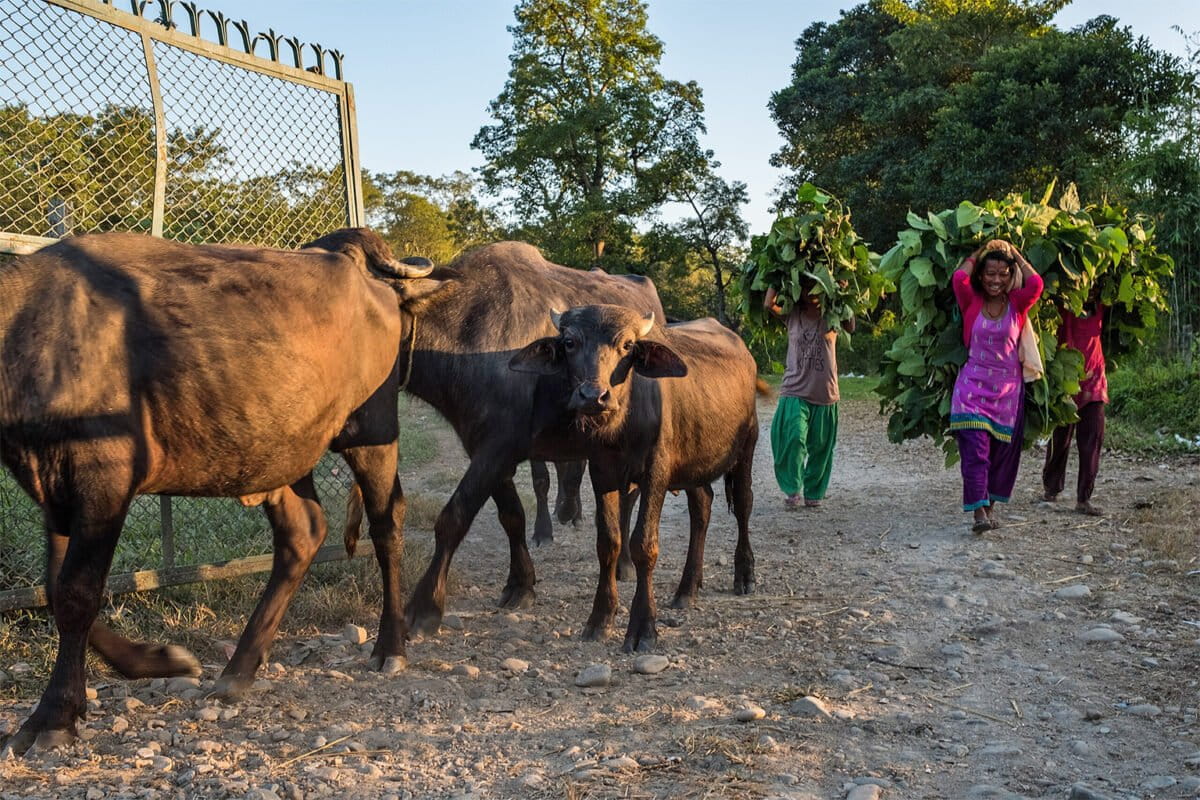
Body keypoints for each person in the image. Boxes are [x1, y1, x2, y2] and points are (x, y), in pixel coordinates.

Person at [949, 239, 1044, 532]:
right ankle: (978, 511)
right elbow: (958, 277)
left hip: (1007, 394)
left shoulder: (1017, 303)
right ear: (981, 274)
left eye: (1003, 274)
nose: (996, 280)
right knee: (975, 450)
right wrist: (981, 251)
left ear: (1010, 275)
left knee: (1003, 456)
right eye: (990, 273)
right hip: (971, 390)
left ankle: (989, 506)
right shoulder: (971, 299)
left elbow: (1036, 284)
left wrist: (1013, 252)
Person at [764, 282, 853, 510]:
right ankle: (792, 488)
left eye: (816, 286)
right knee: (792, 437)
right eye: (806, 285)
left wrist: (841, 293)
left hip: (825, 392)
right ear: (797, 288)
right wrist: (773, 277)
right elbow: (768, 304)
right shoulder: (792, 315)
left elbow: (851, 326)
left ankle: (814, 491)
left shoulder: (832, 315)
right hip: (794, 389)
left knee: (821, 446)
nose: (811, 290)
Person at [1042, 299, 1107, 515]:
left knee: (1092, 440)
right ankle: (1051, 488)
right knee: (1061, 437)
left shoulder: (1101, 306)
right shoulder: (1064, 305)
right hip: (1064, 380)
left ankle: (1084, 498)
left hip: (1094, 382)